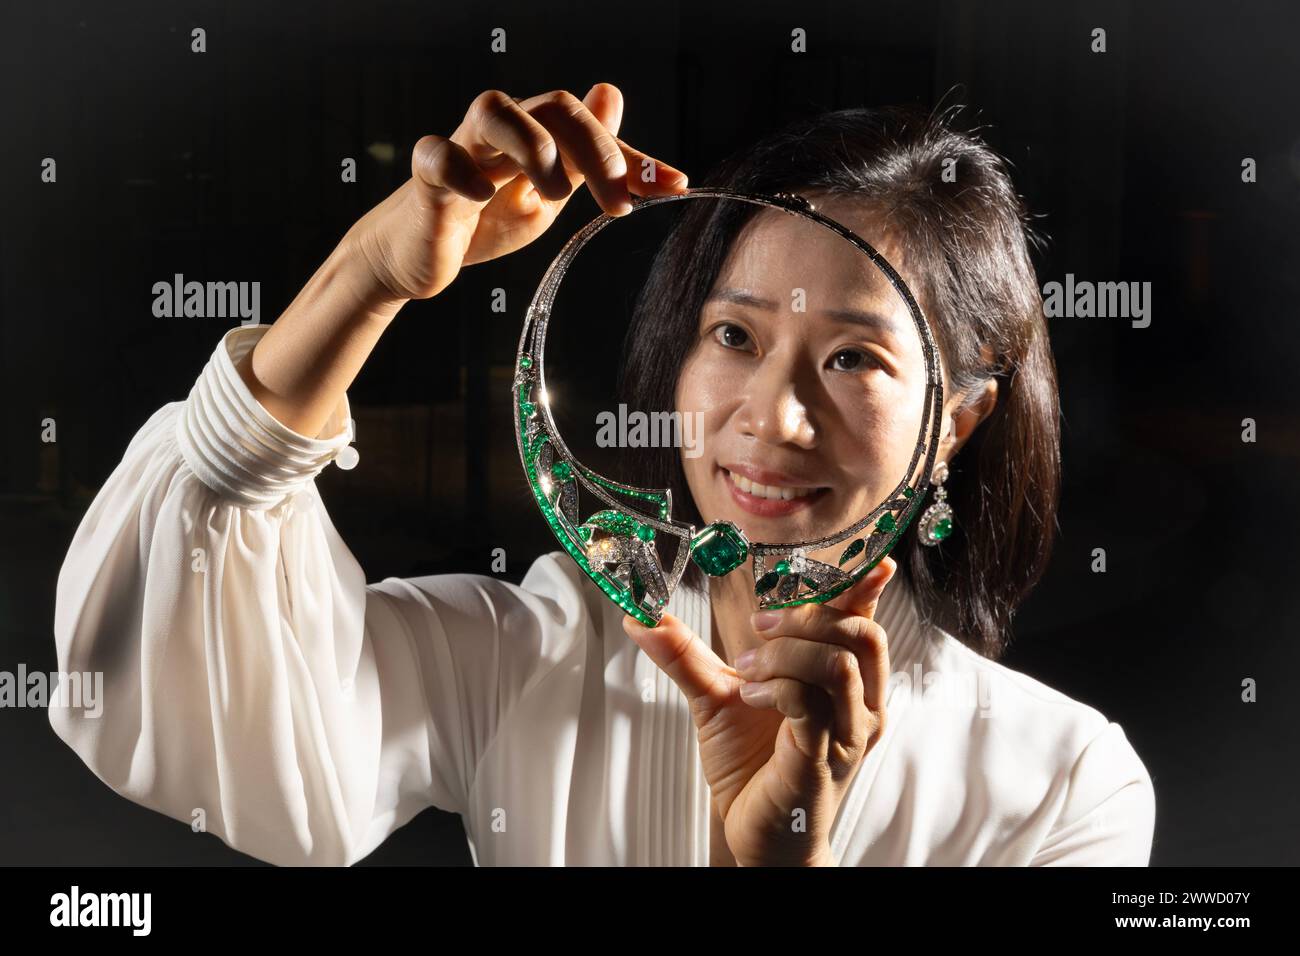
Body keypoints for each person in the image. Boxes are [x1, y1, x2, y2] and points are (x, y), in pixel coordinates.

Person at [49, 83, 1155, 866]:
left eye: (853, 356)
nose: (770, 415)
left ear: (956, 420)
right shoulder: (530, 652)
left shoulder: (1062, 785)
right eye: (732, 334)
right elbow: (188, 698)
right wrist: (367, 276)